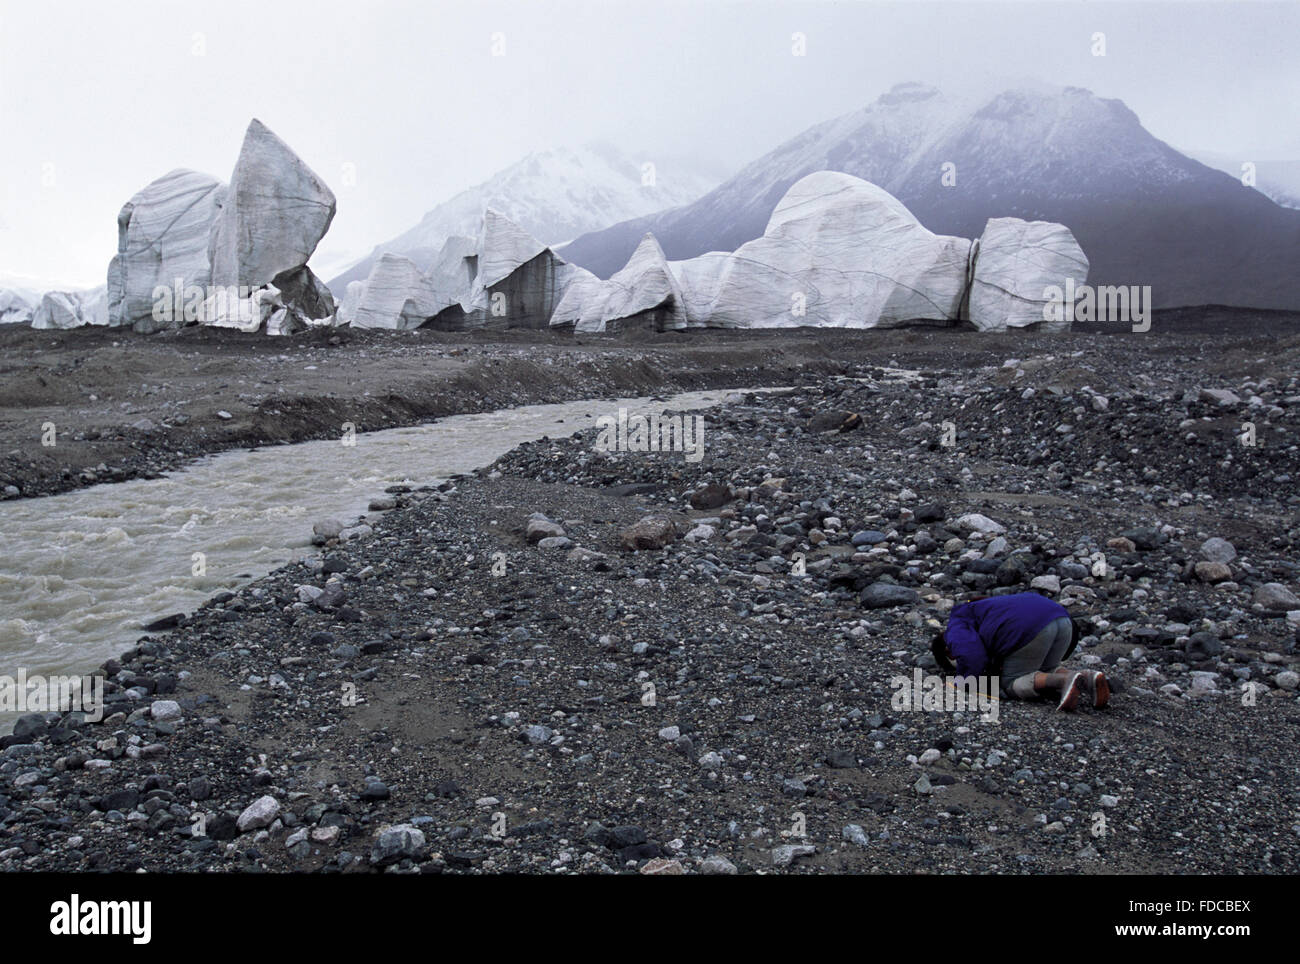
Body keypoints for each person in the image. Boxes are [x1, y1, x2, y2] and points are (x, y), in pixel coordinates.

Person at [930, 592, 1109, 711]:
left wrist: (963, 681)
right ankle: (1088, 677)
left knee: (1012, 681)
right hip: (1063, 619)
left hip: (1029, 628)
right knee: (1047, 668)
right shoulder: (987, 607)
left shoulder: (957, 623)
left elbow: (971, 655)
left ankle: (1064, 680)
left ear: (949, 651)